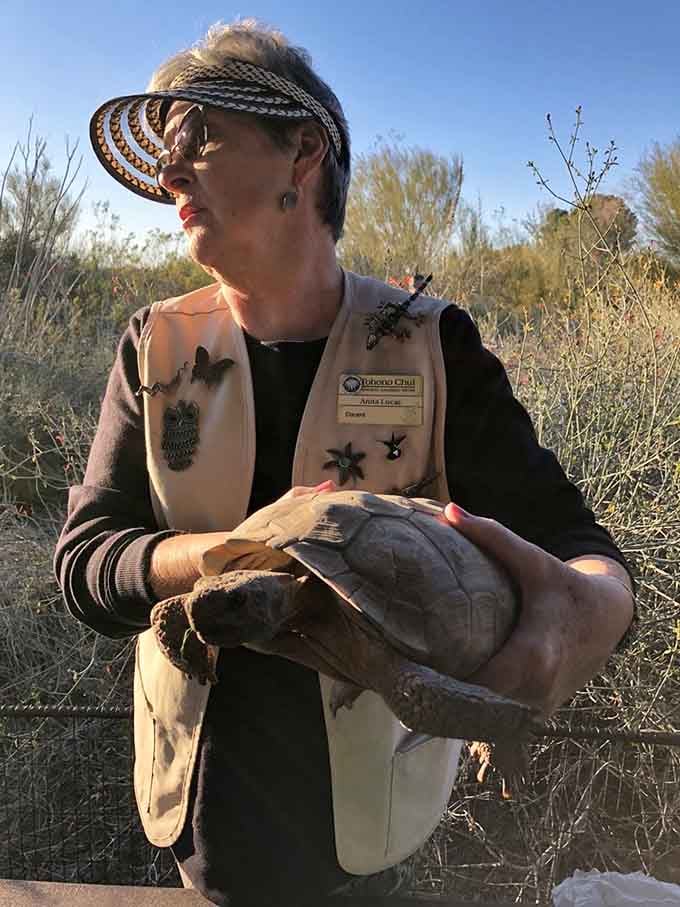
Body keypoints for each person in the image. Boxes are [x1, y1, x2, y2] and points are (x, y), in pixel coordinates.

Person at [55, 19, 634, 907]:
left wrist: (578, 616)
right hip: (199, 823)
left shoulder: (433, 343)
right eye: (167, 152)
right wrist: (236, 560)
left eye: (200, 137)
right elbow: (87, 559)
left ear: (304, 153)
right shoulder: (155, 345)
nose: (171, 173)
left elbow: (582, 551)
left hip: (371, 841)